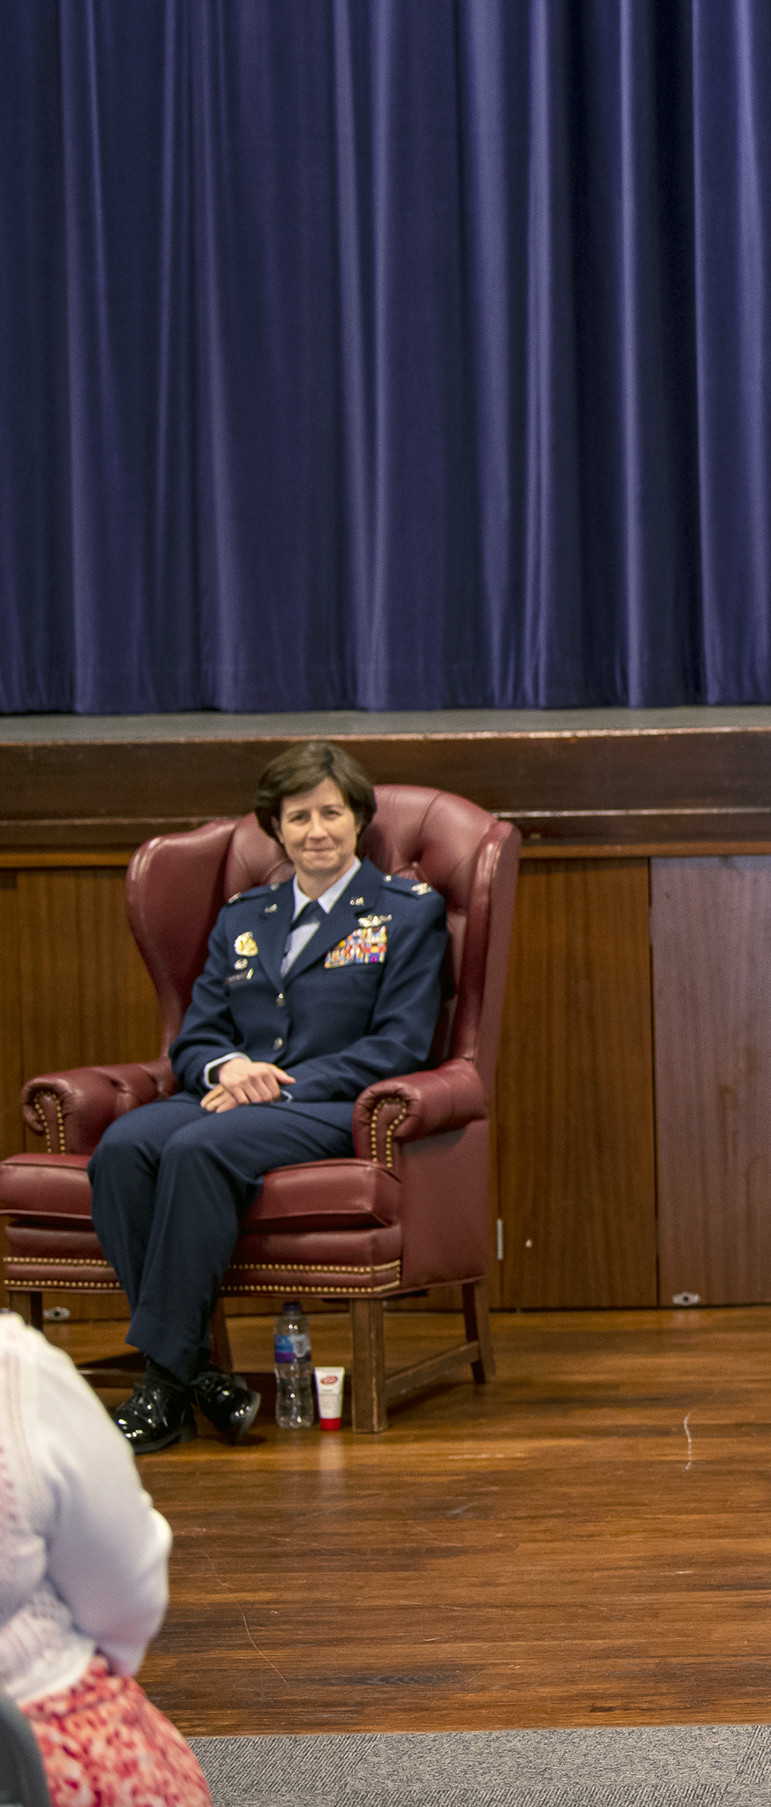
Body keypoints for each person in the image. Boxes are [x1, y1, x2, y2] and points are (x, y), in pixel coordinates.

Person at [89, 741, 448, 1455]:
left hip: (324, 1103)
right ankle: (195, 1376)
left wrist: (277, 1082)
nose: (316, 830)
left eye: (330, 812)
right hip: (231, 1095)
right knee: (124, 1146)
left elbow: (401, 1044)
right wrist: (226, 1067)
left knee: (196, 1147)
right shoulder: (244, 916)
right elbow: (194, 1040)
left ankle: (164, 1386)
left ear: (358, 819)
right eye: (297, 817)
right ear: (275, 830)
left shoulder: (406, 913)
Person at [0, 1311, 208, 1805]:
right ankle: (184, 1376)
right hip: (31, 1737)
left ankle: (174, 1374)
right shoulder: (14, 1370)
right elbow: (126, 1594)